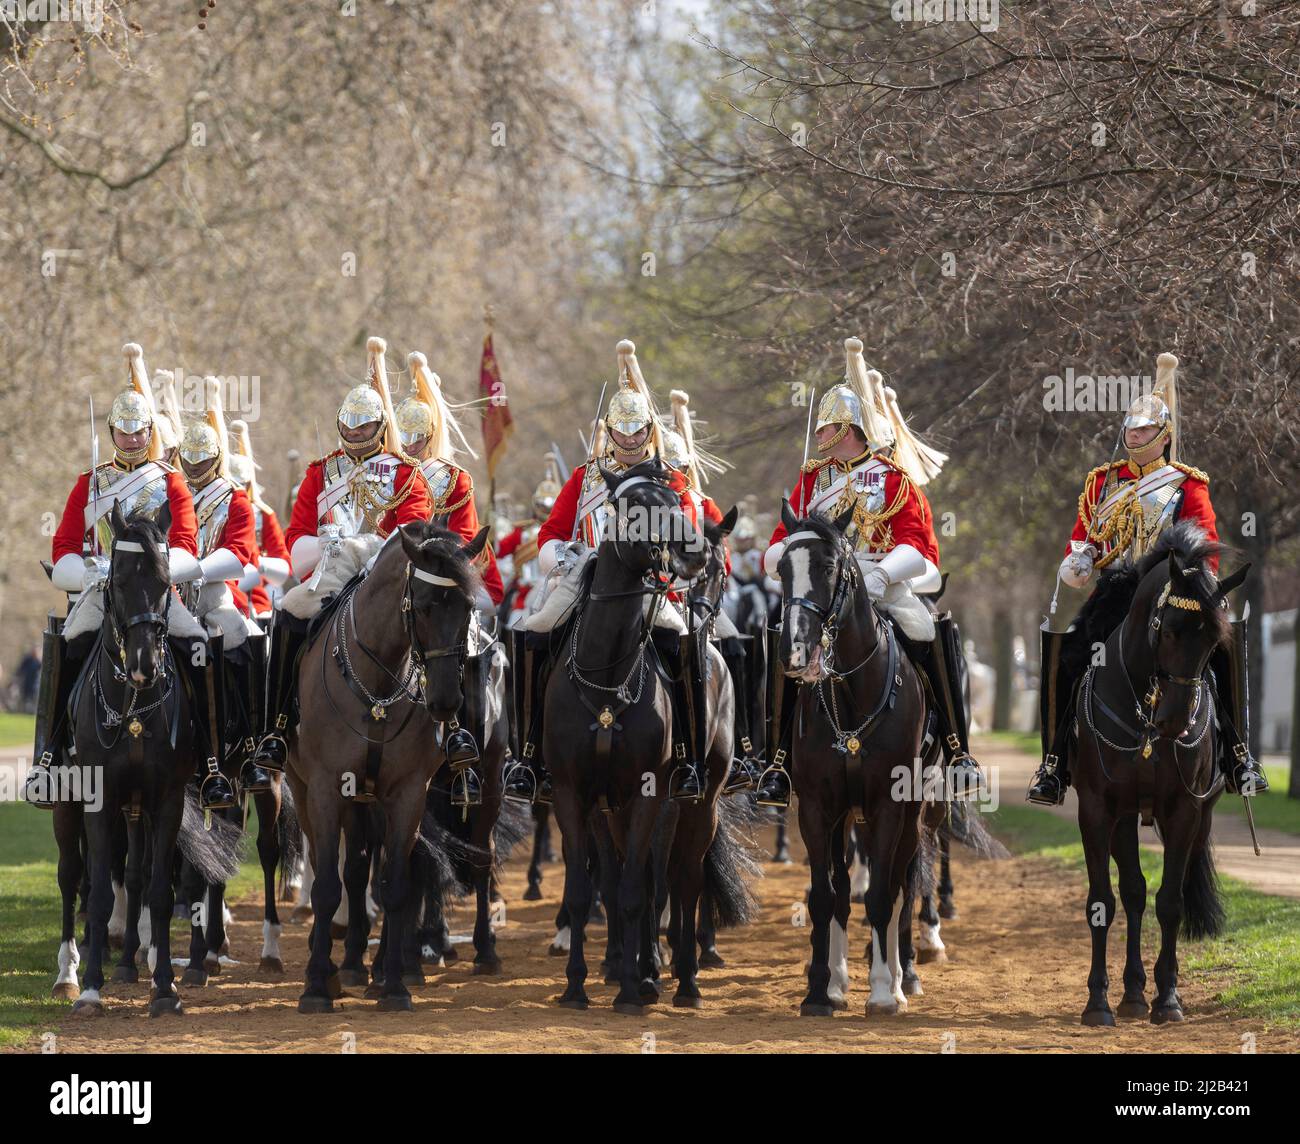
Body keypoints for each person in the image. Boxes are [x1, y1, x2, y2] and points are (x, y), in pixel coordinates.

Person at [1027, 352, 1268, 805]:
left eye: (1145, 430)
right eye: (1131, 430)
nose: (1135, 437)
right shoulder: (1103, 483)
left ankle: (1239, 756)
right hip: (1117, 593)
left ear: (1164, 435)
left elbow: (1205, 540)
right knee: (1068, 655)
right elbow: (1084, 537)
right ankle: (1055, 763)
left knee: (1223, 644)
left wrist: (1198, 585)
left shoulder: (1187, 484)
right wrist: (1078, 560)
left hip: (1174, 591)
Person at [757, 336, 982, 808]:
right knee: (782, 632)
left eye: (829, 428)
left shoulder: (892, 476)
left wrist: (880, 576)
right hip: (822, 583)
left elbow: (917, 543)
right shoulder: (813, 479)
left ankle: (958, 750)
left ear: (851, 428)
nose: (820, 437)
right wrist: (780, 557)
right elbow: (785, 534)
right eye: (820, 429)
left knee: (927, 626)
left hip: (881, 578)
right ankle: (776, 760)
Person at [508, 339, 703, 803]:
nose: (632, 441)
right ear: (610, 432)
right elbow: (550, 534)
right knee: (531, 632)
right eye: (623, 432)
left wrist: (671, 571)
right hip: (585, 582)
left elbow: (690, 538)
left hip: (652, 588)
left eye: (639, 433)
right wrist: (564, 557)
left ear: (649, 432)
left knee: (686, 643)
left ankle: (690, 756)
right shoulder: (585, 476)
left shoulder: (671, 481)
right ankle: (529, 757)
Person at [28, 342, 219, 808]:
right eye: (124, 432)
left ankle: (212, 761)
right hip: (102, 590)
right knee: (67, 641)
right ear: (112, 432)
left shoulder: (170, 481)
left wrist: (156, 570)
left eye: (139, 433)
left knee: (198, 645)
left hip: (155, 595)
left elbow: (188, 544)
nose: (132, 440)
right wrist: (90, 568)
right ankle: (50, 754)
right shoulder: (89, 482)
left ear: (150, 432)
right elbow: (64, 548)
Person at [249, 337, 432, 782]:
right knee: (289, 613)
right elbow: (294, 545)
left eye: (362, 427)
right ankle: (275, 730)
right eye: (348, 426)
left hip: (386, 580)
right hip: (331, 576)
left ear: (379, 427)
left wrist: (368, 544)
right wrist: (328, 543)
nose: (353, 434)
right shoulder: (320, 472)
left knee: (439, 625)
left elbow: (417, 531)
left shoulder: (404, 473)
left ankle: (448, 729)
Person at [392, 349, 505, 804]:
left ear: (430, 435)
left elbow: (464, 541)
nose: (410, 444)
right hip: (396, 575)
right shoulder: (382, 474)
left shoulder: (453, 479)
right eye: (403, 436)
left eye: (417, 436)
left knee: (471, 644)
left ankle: (465, 746)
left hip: (451, 582)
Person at [660, 389, 760, 793]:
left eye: (677, 470)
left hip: (698, 598)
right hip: (659, 595)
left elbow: (723, 561)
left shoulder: (704, 506)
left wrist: (700, 588)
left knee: (736, 643)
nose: (673, 478)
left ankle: (745, 749)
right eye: (667, 471)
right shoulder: (644, 503)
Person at [175, 378, 266, 799]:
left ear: (215, 459)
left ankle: (250, 747)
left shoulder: (234, 500)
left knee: (243, 636)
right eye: (187, 460)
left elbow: (239, 553)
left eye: (201, 460)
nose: (193, 468)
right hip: (169, 593)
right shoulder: (165, 492)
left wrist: (193, 569)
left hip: (212, 591)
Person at [228, 418, 293, 619]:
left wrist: (259, 566)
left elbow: (284, 562)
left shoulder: (263, 515)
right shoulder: (213, 510)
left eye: (242, 484)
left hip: (255, 599)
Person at [496, 455, 562, 626]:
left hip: (558, 590)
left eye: (550, 505)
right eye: (542, 505)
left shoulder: (565, 531)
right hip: (525, 594)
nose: (546, 509)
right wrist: (491, 534)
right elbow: (499, 550)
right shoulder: (522, 532)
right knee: (511, 620)